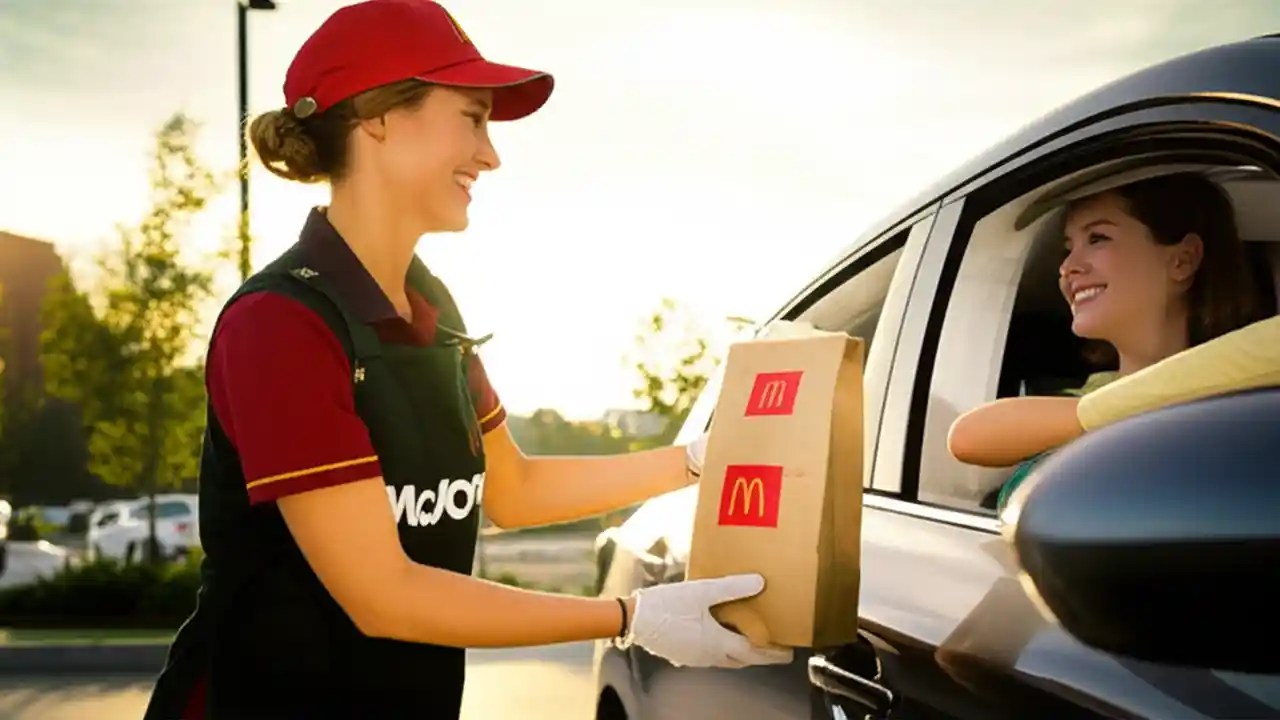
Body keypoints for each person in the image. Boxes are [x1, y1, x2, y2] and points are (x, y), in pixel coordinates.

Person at [143, 2, 789, 718]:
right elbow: (384, 596)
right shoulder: (280, 326)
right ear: (379, 117)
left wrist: (698, 461)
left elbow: (512, 488)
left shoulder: (430, 305)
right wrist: (630, 616)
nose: (491, 154)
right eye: (472, 118)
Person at [948, 172, 1273, 514]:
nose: (1067, 267)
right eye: (1068, 248)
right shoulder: (1074, 403)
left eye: (1098, 238)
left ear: (1183, 259)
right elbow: (968, 437)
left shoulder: (1253, 404)